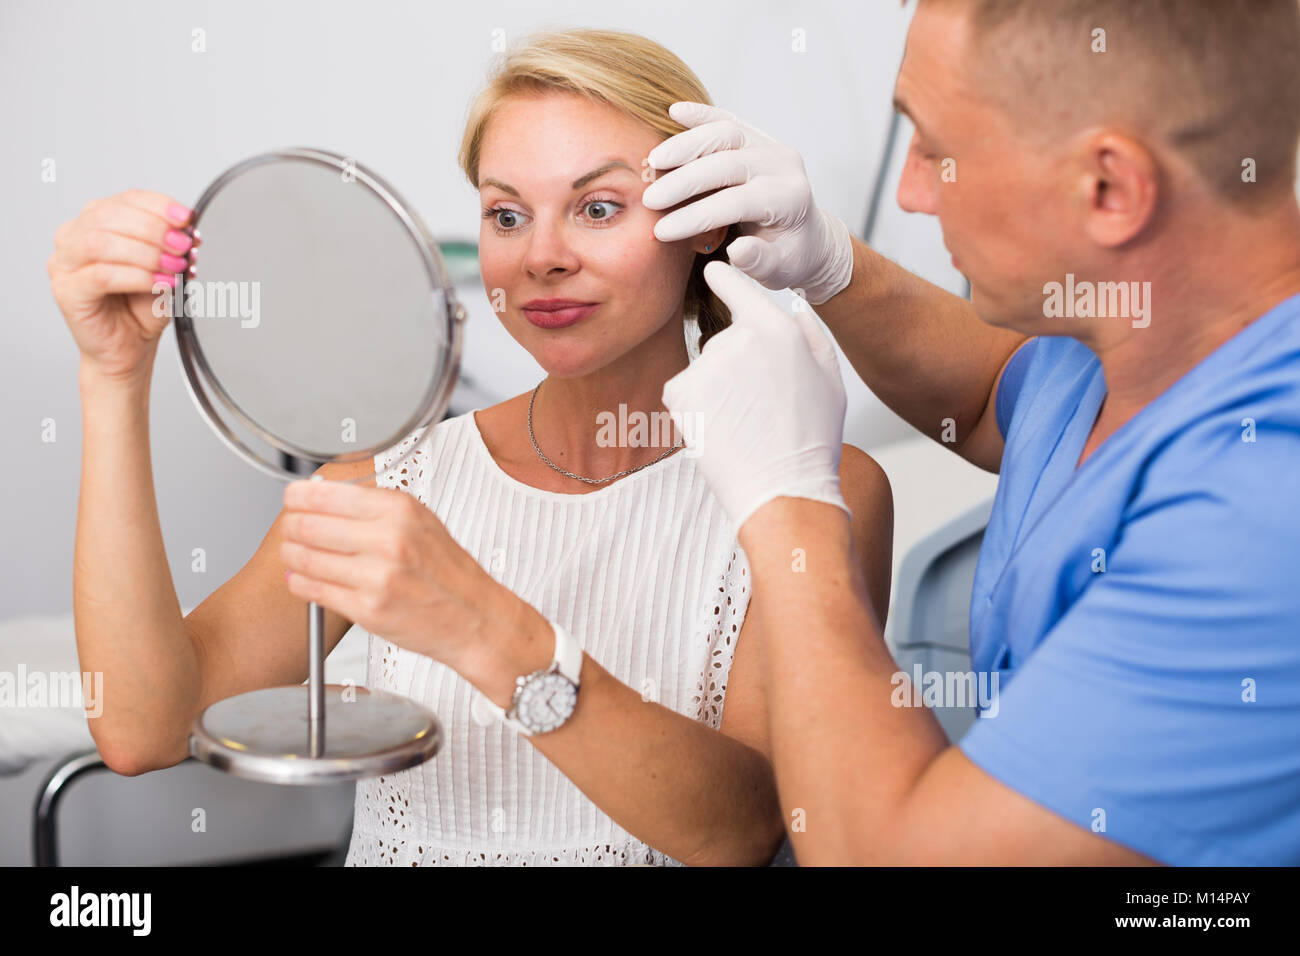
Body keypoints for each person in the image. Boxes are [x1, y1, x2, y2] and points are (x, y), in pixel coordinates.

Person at [50, 27, 892, 866]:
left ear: (704, 222)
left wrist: (480, 624)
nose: (541, 257)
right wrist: (113, 378)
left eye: (599, 208)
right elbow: (143, 727)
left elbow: (741, 832)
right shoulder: (390, 483)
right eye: (506, 215)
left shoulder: (817, 493)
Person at [645, 0, 1300, 864]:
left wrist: (789, 507)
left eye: (938, 151)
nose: (911, 193)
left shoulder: (1260, 518)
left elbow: (895, 853)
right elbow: (1000, 396)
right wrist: (830, 263)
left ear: (1109, 188)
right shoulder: (1126, 326)